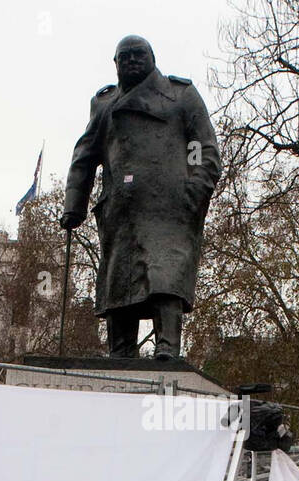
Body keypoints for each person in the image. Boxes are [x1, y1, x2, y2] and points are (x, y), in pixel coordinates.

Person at [60, 35, 221, 359]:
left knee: (165, 273)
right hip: (121, 209)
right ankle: (121, 352)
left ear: (152, 57)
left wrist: (193, 186)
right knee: (119, 283)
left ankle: (167, 346)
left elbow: (201, 147)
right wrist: (73, 205)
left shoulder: (181, 96)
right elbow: (85, 156)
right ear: (115, 63)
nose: (132, 60)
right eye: (124, 56)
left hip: (169, 206)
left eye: (139, 54)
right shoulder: (104, 104)